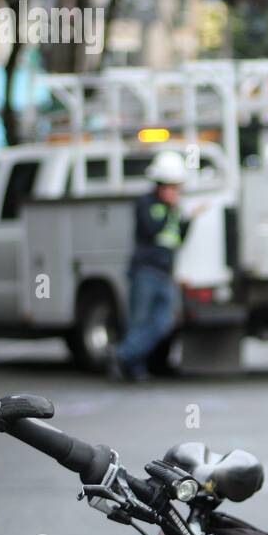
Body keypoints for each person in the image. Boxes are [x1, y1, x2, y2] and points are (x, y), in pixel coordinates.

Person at [112, 150, 197, 382]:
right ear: (161, 184)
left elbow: (176, 238)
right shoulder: (146, 203)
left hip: (163, 273)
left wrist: (188, 219)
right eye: (172, 186)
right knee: (138, 323)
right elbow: (152, 229)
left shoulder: (174, 209)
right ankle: (130, 364)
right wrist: (171, 210)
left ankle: (124, 355)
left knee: (162, 323)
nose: (175, 191)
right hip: (145, 272)